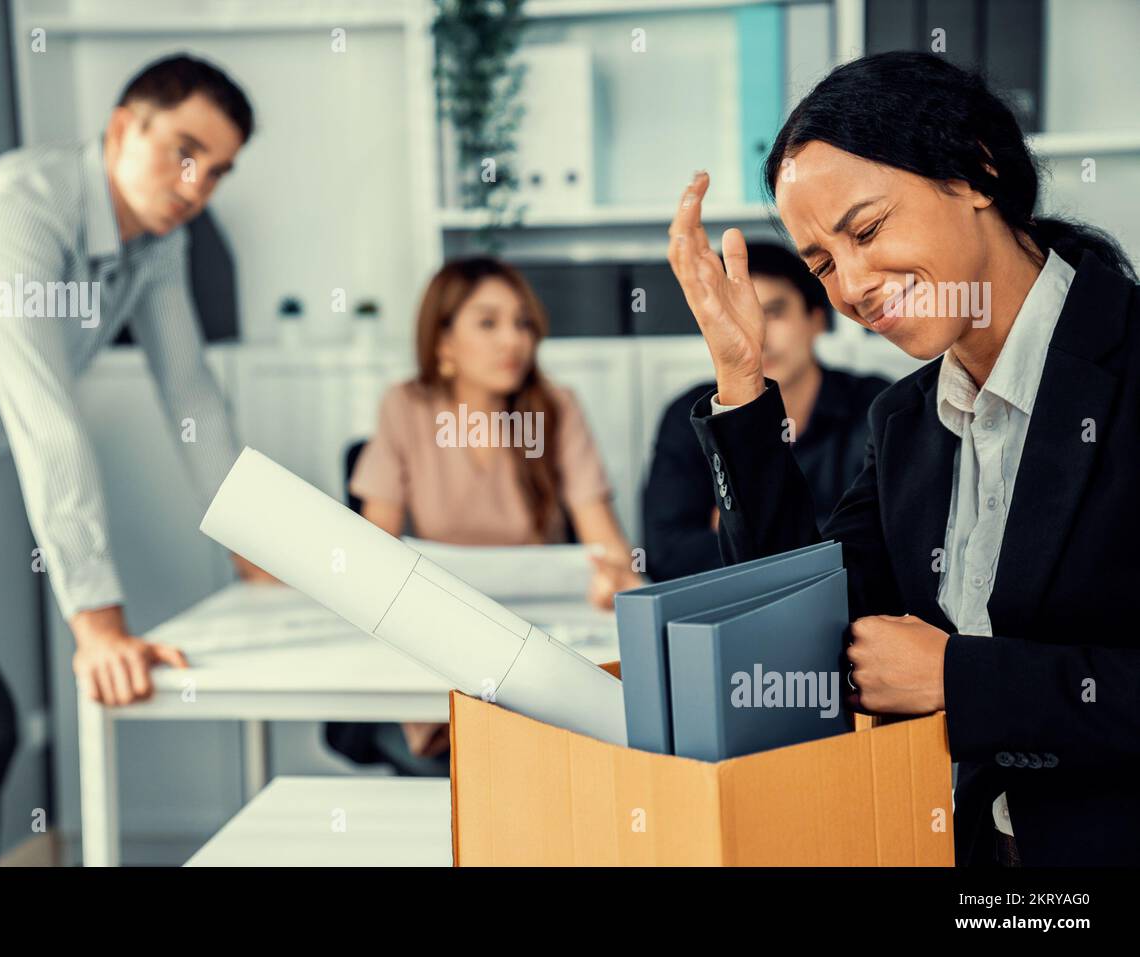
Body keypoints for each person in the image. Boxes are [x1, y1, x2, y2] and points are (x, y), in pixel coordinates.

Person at [667, 51, 1140, 867]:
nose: (849, 286)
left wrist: (964, 680)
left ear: (976, 173)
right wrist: (744, 382)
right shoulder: (909, 422)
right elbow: (799, 633)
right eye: (821, 263)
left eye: (867, 229)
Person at [0, 54, 272, 866]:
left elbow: (193, 397)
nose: (195, 185)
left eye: (215, 172)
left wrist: (255, 551)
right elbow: (45, 417)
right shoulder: (18, 211)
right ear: (123, 127)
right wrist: (99, 625)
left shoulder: (155, 241)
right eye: (183, 152)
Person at [339, 256, 643, 770]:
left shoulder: (556, 407)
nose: (513, 341)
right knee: (478, 757)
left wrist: (615, 577)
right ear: (442, 342)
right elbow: (373, 556)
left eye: (522, 323)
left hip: (539, 635)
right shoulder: (405, 408)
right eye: (488, 323)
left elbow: (607, 547)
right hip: (440, 635)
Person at [643, 241, 888, 581]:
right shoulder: (688, 414)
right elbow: (665, 552)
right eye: (735, 317)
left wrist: (734, 529)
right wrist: (813, 532)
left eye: (773, 313)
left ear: (816, 319)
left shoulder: (875, 405)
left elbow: (883, 546)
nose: (755, 335)